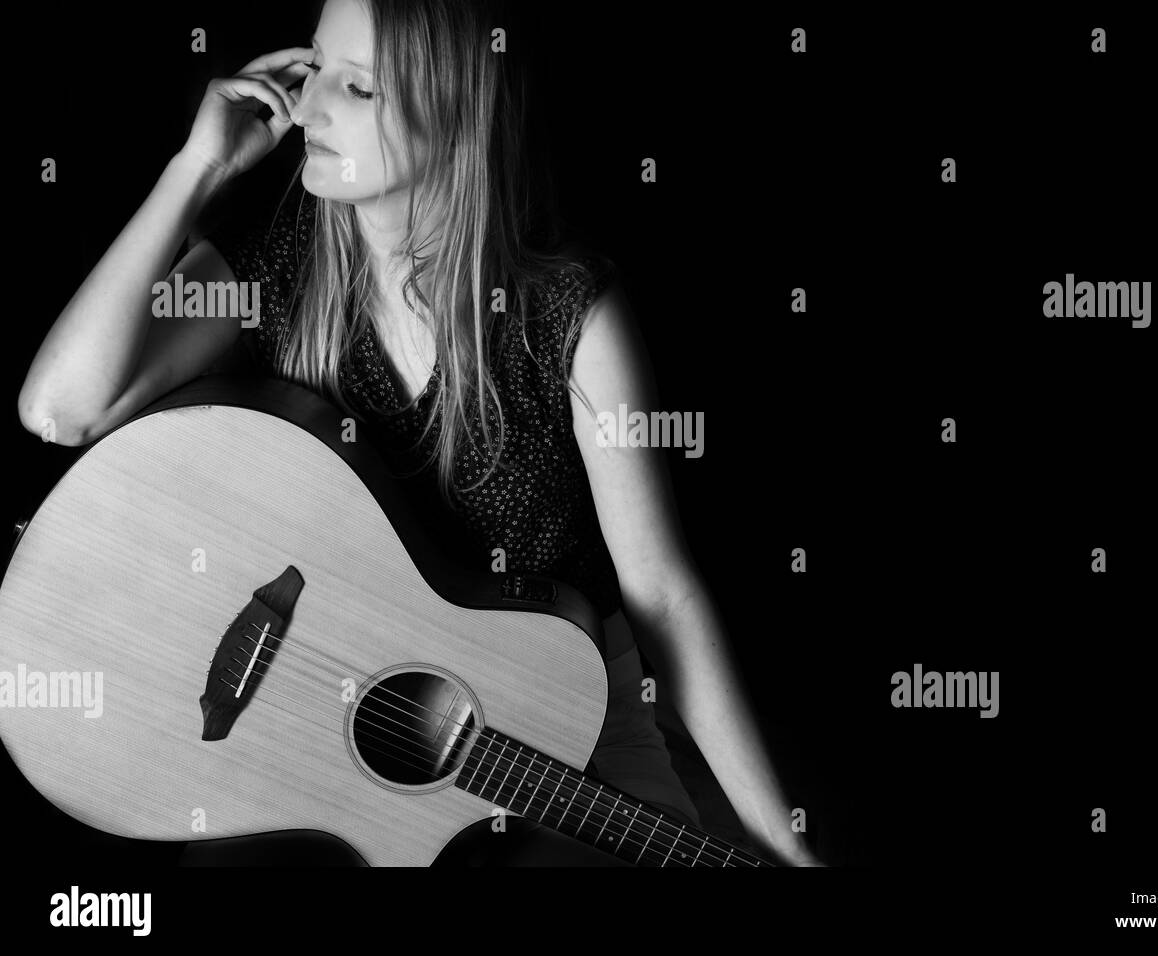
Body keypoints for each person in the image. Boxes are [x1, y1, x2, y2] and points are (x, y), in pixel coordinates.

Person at [18, 0, 823, 867]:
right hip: (317, 730)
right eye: (314, 65)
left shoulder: (569, 316)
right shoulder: (275, 270)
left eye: (357, 87)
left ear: (454, 113)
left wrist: (781, 844)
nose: (307, 106)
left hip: (571, 718)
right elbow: (61, 409)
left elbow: (661, 593)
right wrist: (198, 167)